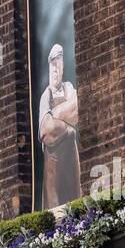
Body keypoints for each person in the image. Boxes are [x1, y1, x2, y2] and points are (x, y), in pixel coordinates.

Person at [38, 43, 81, 209]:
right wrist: (69, 129)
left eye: (58, 64)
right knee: (56, 209)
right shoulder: (45, 96)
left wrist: (55, 113)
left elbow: (77, 109)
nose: (55, 69)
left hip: (71, 160)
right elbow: (46, 130)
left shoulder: (69, 88)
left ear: (63, 66)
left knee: (76, 201)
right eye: (52, 65)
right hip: (53, 167)